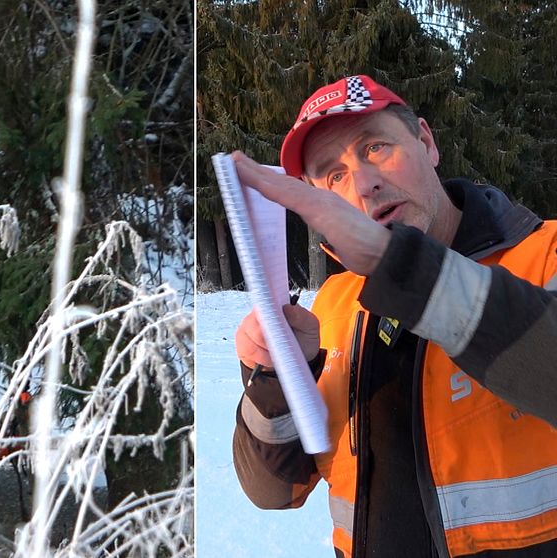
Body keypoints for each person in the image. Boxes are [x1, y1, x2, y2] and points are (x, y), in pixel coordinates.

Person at [231, 75, 557, 558]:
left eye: (377, 147)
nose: (364, 184)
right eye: (333, 175)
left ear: (427, 142)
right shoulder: (334, 306)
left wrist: (405, 269)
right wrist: (274, 378)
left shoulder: (546, 256)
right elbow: (273, 492)